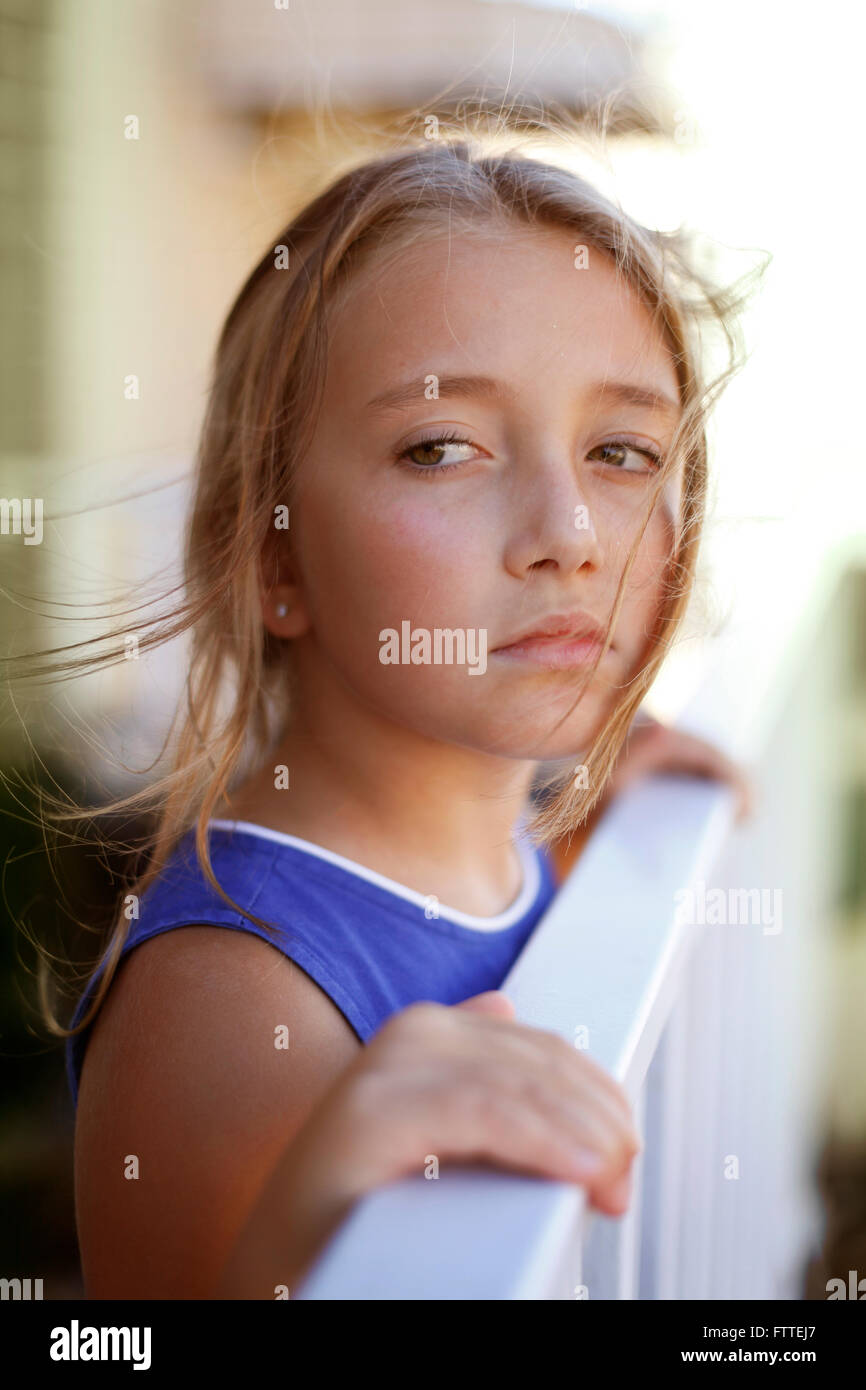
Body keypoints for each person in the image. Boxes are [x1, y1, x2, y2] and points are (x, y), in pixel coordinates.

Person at [26, 129, 757, 1298]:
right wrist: (316, 1191)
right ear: (267, 557)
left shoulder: (500, 829)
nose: (569, 530)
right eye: (440, 447)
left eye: (620, 450)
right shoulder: (230, 1000)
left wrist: (584, 816)